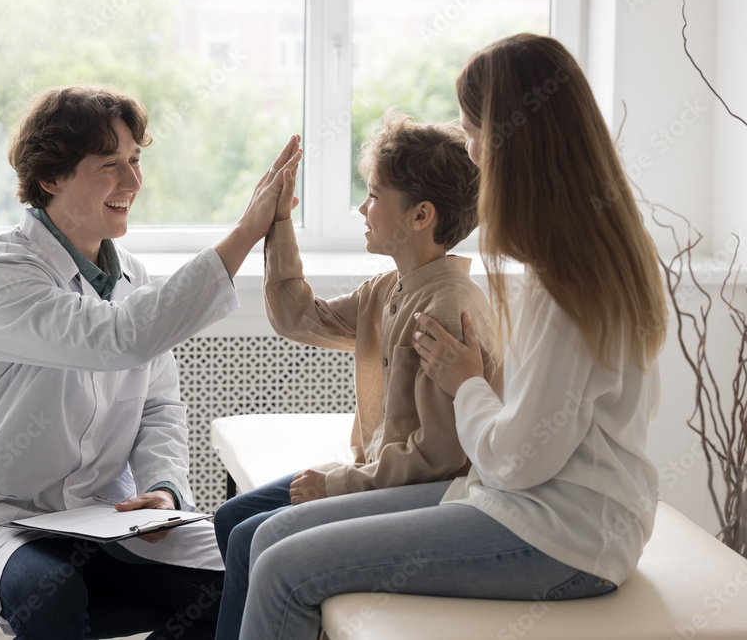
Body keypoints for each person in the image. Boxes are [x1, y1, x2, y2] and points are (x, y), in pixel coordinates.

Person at [236, 33, 668, 640]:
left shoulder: (568, 281)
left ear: (509, 144)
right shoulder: (594, 252)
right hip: (522, 504)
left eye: (472, 132)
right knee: (273, 534)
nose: (470, 151)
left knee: (282, 565)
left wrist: (467, 383)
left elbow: (518, 458)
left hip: (563, 536)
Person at [0, 84, 301, 640]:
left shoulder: (132, 274)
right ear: (51, 179)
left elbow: (158, 406)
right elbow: (119, 339)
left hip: (114, 516)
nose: (132, 183)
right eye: (110, 166)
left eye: (135, 161)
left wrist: (164, 488)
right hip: (9, 522)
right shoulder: (2, 276)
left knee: (258, 577)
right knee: (49, 593)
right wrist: (246, 232)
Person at [211, 110, 502, 639]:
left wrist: (340, 484)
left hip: (425, 497)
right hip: (377, 478)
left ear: (421, 215)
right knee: (232, 520)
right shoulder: (390, 289)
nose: (362, 209)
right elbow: (298, 317)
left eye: (373, 195)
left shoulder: (445, 311)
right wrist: (277, 223)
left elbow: (439, 461)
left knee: (253, 535)